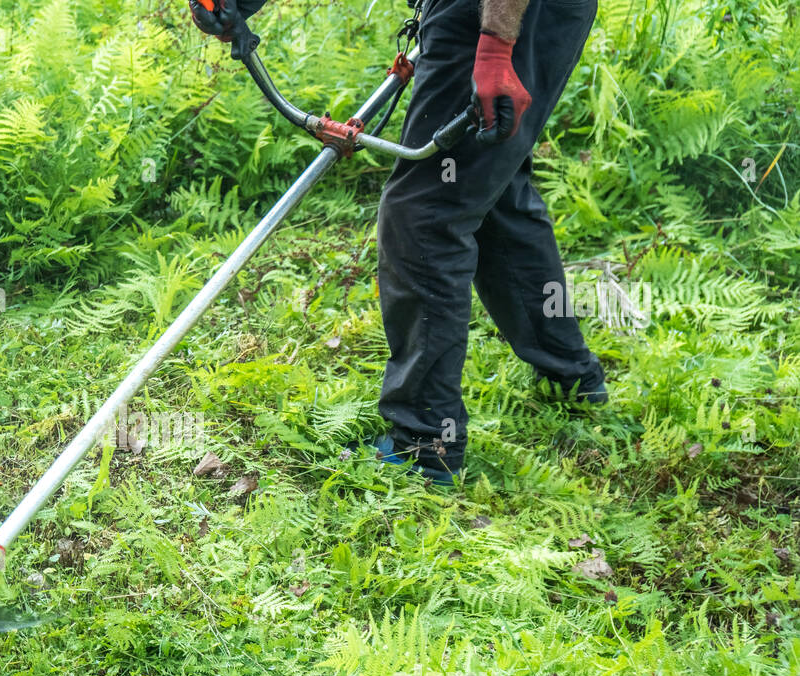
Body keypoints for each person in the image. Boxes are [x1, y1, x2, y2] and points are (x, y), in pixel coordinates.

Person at [189, 0, 607, 484]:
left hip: (506, 15)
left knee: (426, 214)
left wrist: (495, 49)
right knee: (490, 192)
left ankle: (426, 447)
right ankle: (571, 380)